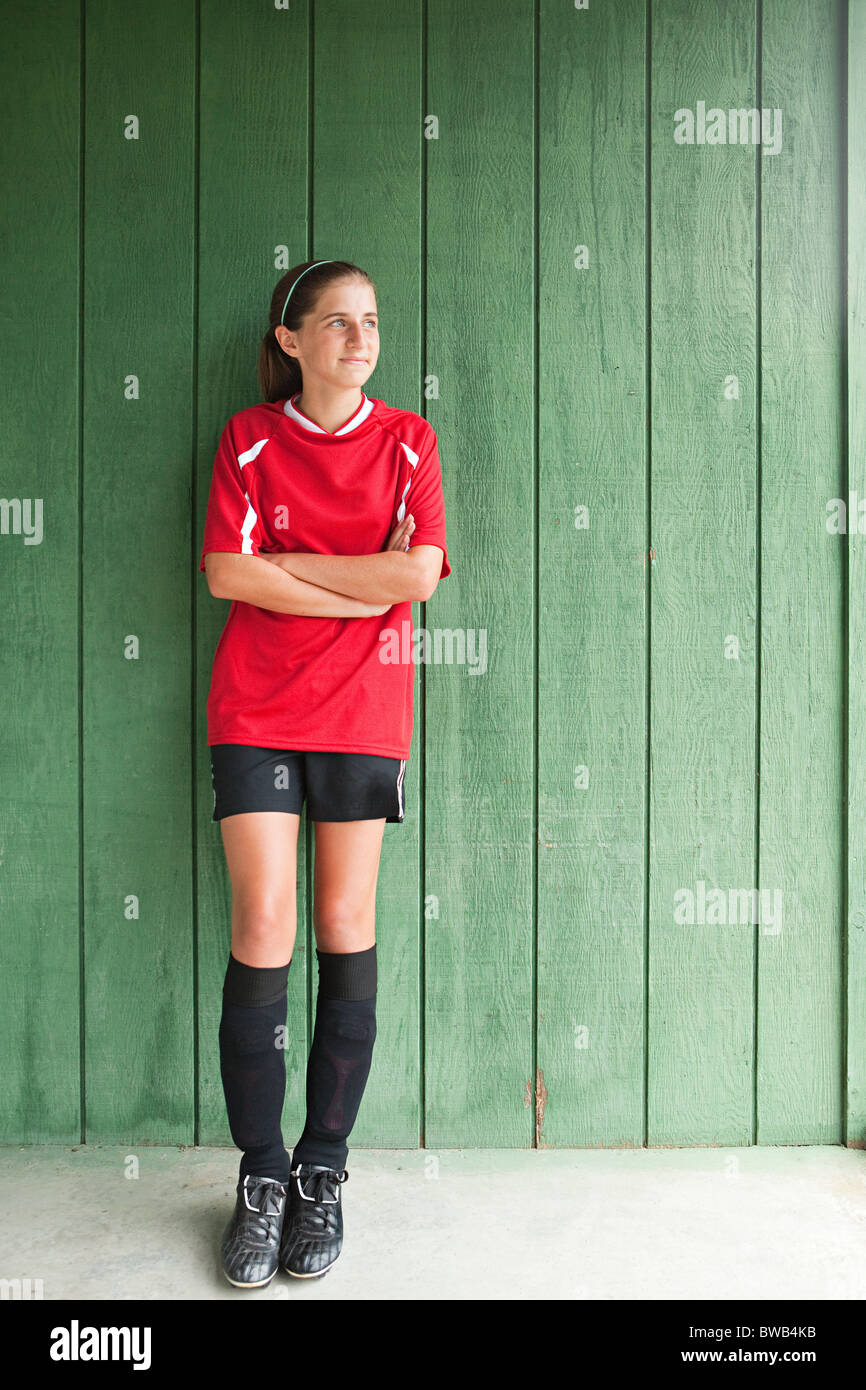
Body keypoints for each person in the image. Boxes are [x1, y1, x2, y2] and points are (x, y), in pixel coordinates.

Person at [198, 259, 451, 1287]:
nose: (359, 336)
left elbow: (420, 573)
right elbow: (225, 573)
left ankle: (321, 1174)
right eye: (335, 322)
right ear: (290, 339)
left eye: (371, 321)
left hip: (362, 709)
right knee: (263, 921)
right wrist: (365, 590)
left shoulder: (407, 442)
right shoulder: (247, 440)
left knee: (345, 922)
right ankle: (259, 1178)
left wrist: (296, 573)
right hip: (255, 707)